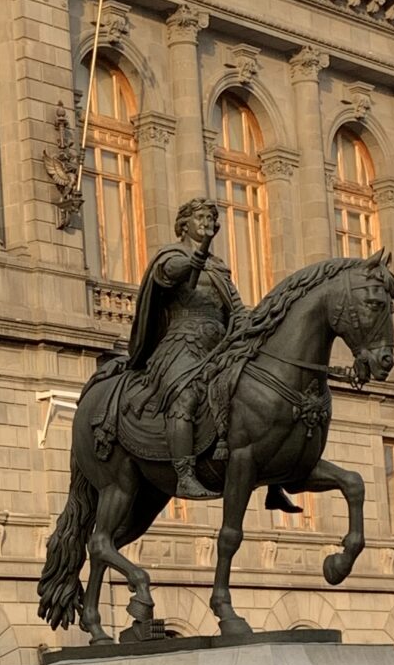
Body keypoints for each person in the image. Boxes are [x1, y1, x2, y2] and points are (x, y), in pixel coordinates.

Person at [122, 198, 300, 510]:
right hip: (182, 342)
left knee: (260, 396)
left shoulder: (218, 267)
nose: (207, 222)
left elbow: (234, 305)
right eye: (201, 217)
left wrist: (257, 330)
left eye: (211, 218)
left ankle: (274, 479)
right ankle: (185, 474)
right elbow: (173, 276)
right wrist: (198, 254)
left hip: (220, 343)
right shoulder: (172, 256)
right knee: (186, 396)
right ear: (184, 224)